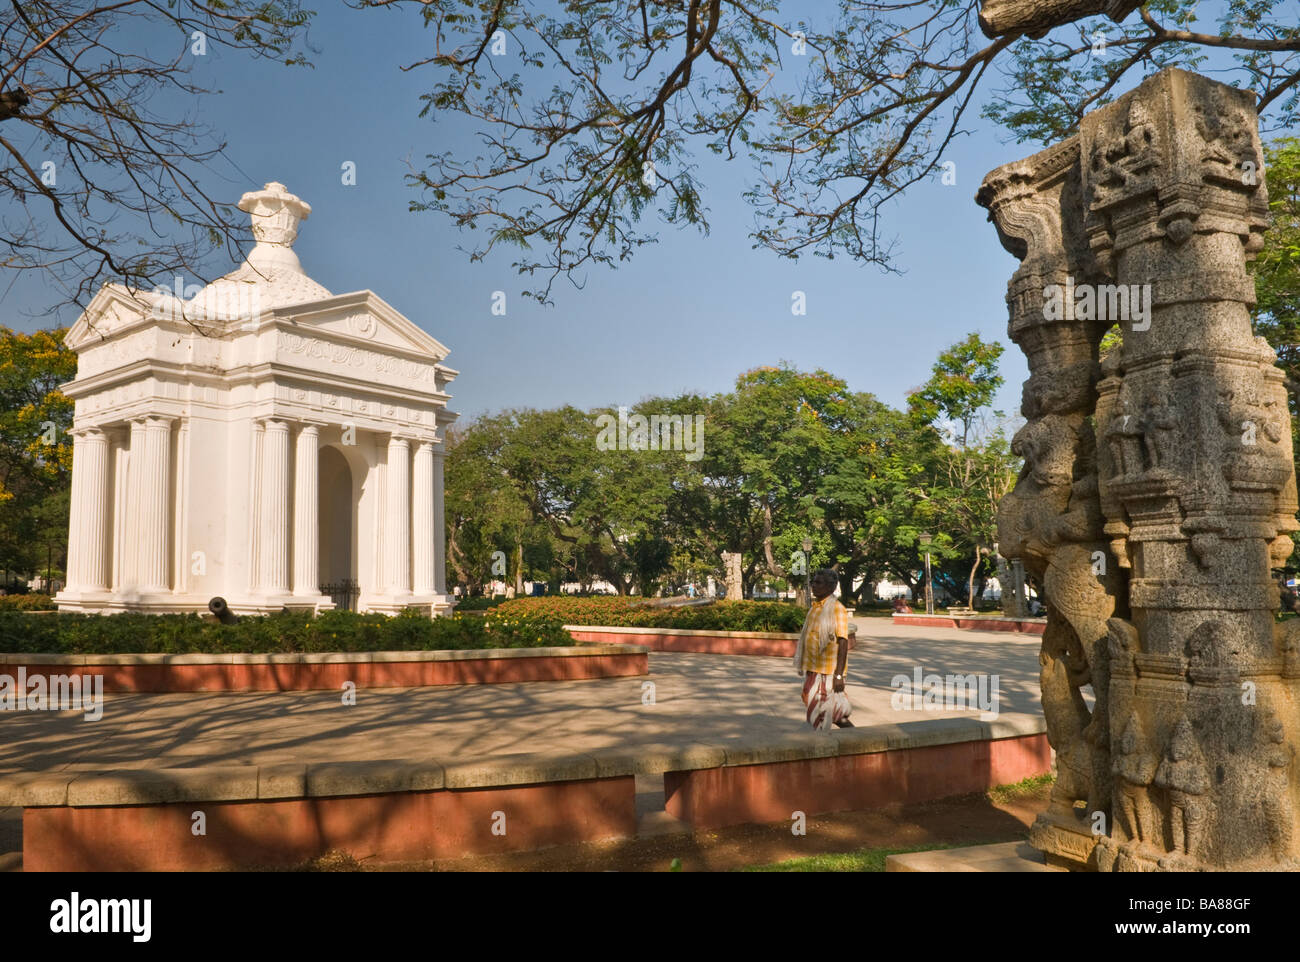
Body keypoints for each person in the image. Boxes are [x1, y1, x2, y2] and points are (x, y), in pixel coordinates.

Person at [793, 568, 854, 730]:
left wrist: (839, 675)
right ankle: (854, 737)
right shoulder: (815, 608)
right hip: (813, 669)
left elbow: (843, 641)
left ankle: (821, 745)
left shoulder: (836, 608)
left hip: (828, 671)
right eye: (813, 582)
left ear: (831, 587)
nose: (813, 585)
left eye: (818, 583)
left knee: (821, 712)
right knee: (822, 707)